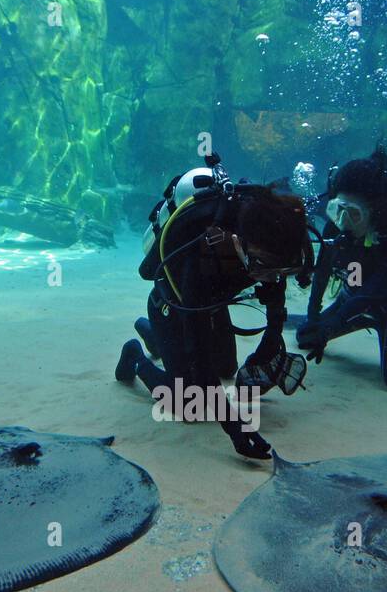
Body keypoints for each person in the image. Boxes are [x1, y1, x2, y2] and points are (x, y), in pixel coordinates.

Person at [115, 155, 312, 460]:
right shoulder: (199, 255)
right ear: (239, 244)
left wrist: (271, 342)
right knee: (189, 403)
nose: (271, 278)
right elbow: (199, 361)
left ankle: (153, 336)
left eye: (280, 271)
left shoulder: (271, 248)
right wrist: (235, 427)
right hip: (175, 306)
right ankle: (136, 355)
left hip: (209, 306)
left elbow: (275, 302)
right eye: (263, 267)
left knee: (226, 370)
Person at [295, 146, 387, 390]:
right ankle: (366, 320)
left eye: (353, 214)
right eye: (337, 210)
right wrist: (314, 319)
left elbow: (375, 289)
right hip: (352, 298)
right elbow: (322, 271)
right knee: (306, 338)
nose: (343, 222)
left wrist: (331, 326)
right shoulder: (338, 226)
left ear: (375, 211)